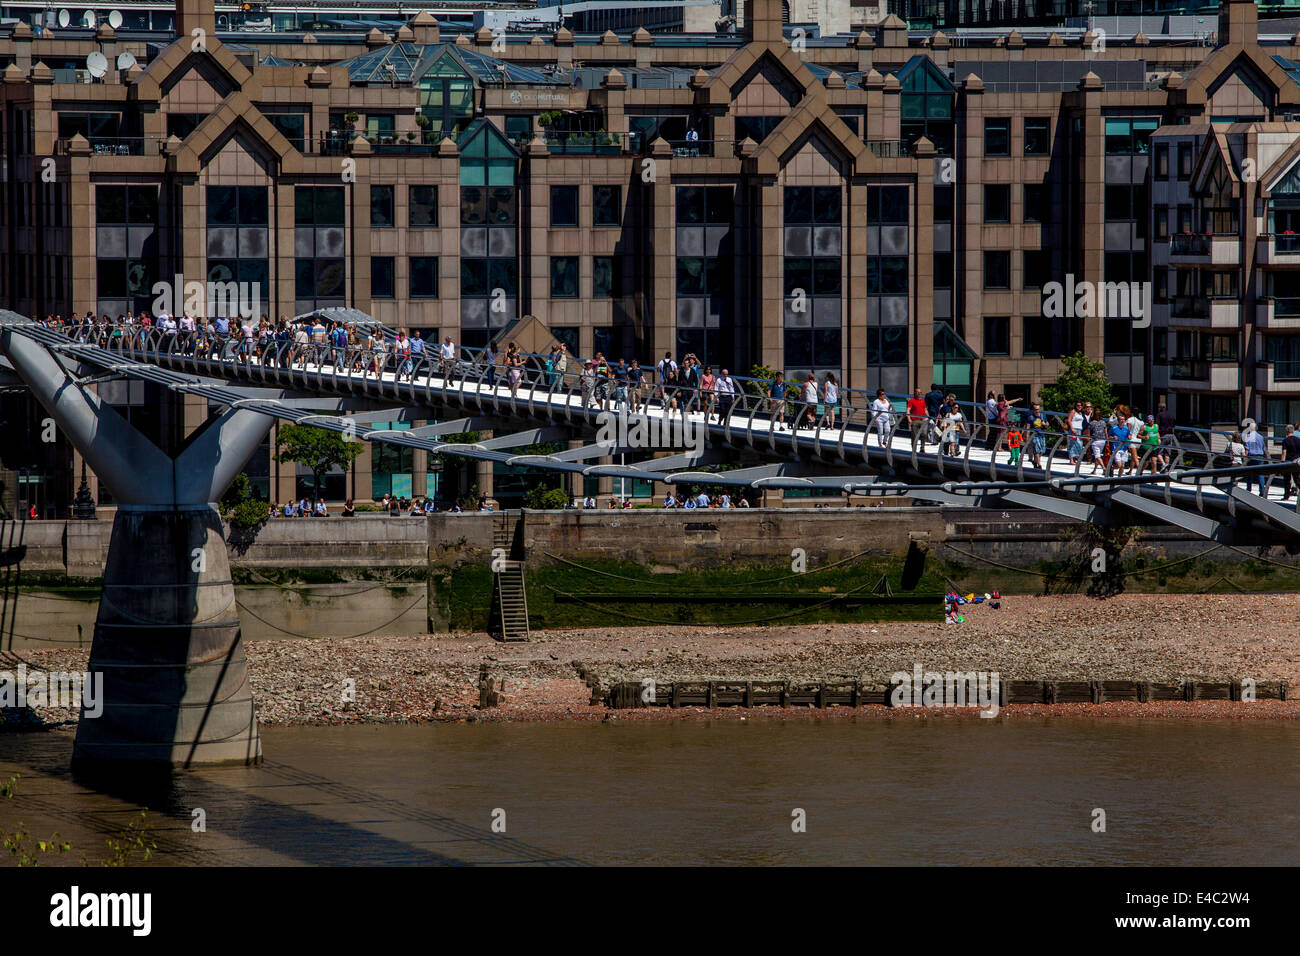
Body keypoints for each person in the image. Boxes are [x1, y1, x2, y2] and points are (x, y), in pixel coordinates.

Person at [1242, 422, 1270, 496]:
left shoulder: (1248, 437)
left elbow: (1247, 449)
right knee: (1260, 474)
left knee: (1249, 473)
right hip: (1260, 456)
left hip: (1251, 457)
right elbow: (1263, 448)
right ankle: (1262, 490)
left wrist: (1244, 459)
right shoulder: (1261, 437)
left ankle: (1248, 489)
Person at [1282, 423, 1300, 499]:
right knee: (1297, 479)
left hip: (1288, 462)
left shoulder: (1285, 440)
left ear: (1286, 431)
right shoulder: (1298, 440)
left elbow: (1284, 452)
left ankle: (1286, 495)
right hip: (1297, 461)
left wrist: (1282, 462)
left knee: (1287, 479)